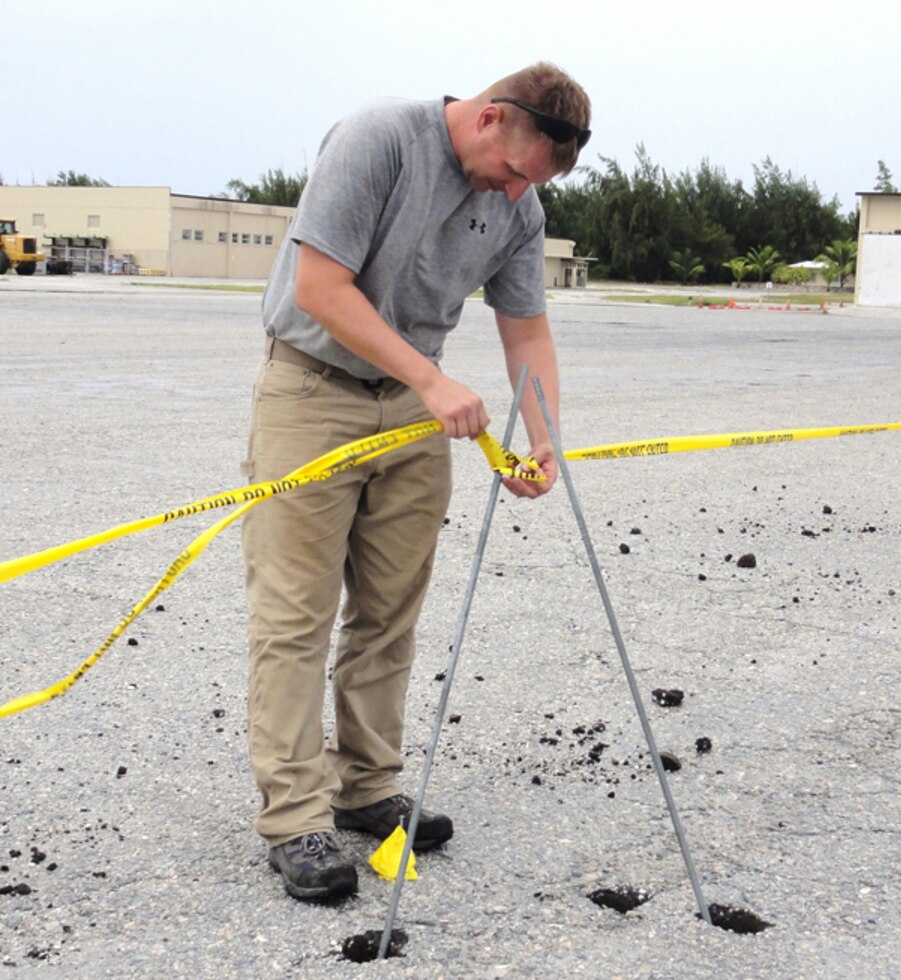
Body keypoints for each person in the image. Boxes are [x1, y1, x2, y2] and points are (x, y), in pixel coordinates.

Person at [240, 63, 591, 901]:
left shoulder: (521, 205)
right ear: (489, 119)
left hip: (413, 410)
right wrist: (433, 384)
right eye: (513, 172)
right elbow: (322, 290)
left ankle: (365, 789)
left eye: (530, 187)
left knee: (390, 610)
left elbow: (527, 331)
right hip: (311, 392)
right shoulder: (379, 141)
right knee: (294, 614)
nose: (514, 197)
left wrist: (543, 438)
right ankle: (297, 820)